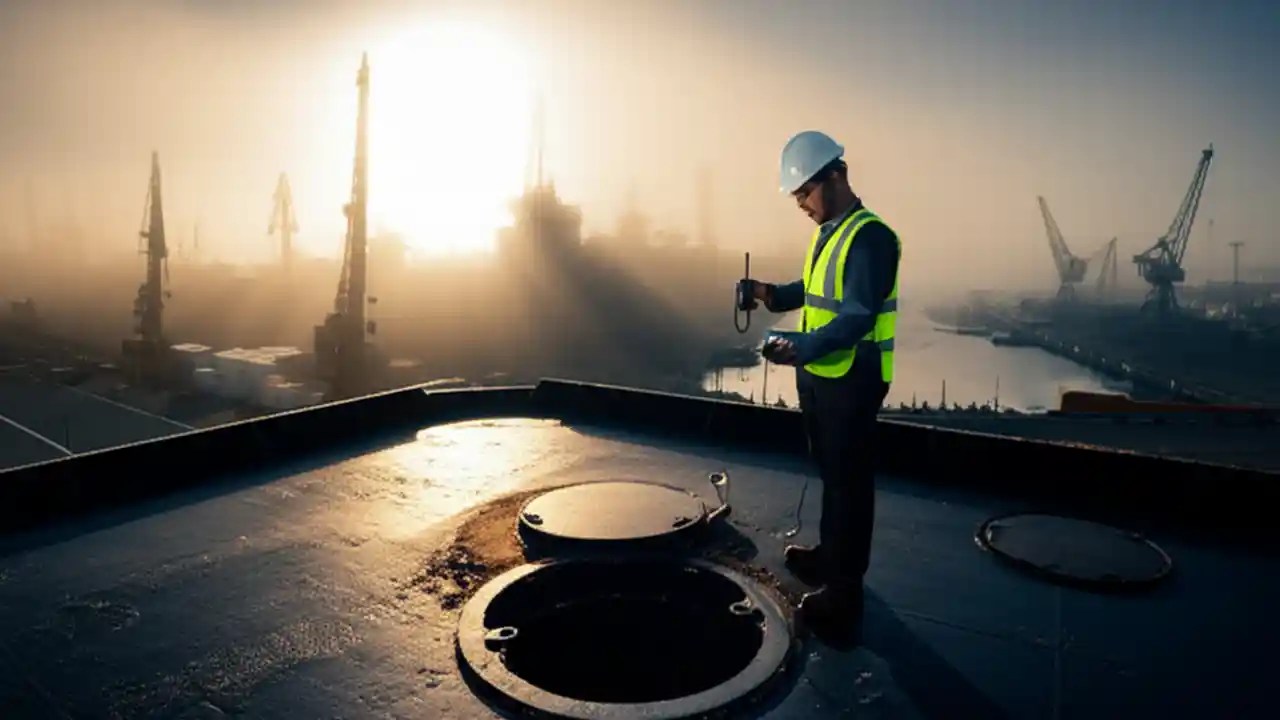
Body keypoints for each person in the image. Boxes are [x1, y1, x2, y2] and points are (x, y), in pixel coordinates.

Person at [744, 130, 900, 646]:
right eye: (796, 198)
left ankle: (845, 593)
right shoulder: (830, 232)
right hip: (823, 378)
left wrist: (802, 347)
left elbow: (857, 315)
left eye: (805, 193)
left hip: (852, 378)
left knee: (850, 485)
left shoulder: (871, 237)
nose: (801, 206)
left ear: (836, 177)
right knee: (833, 473)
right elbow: (810, 290)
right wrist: (767, 293)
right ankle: (829, 557)